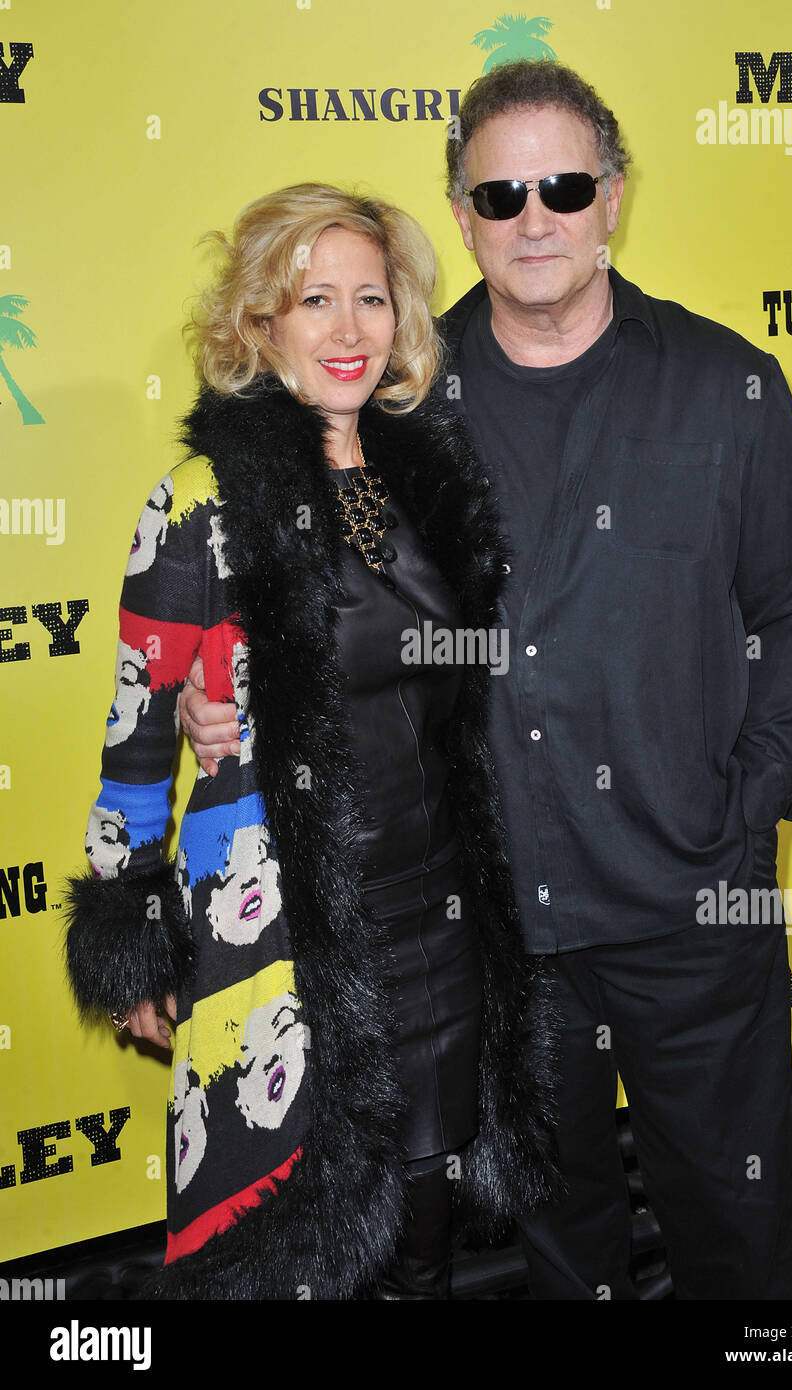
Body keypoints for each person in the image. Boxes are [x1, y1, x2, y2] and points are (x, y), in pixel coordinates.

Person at [181, 61, 792, 1301]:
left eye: (563, 183)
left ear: (612, 197)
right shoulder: (397, 409)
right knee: (559, 1249)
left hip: (692, 908)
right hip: (497, 931)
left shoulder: (726, 384)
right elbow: (302, 608)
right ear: (463, 213)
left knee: (738, 1234)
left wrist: (748, 804)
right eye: (498, 194)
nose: (533, 216)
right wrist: (214, 701)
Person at [63, 182, 557, 1301]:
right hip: (281, 923)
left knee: (425, 1219)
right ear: (259, 324)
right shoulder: (199, 499)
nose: (347, 331)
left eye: (370, 300)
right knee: (298, 1246)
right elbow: (138, 733)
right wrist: (133, 930)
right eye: (313, 300)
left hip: (440, 910)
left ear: (403, 318)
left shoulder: (426, 475)